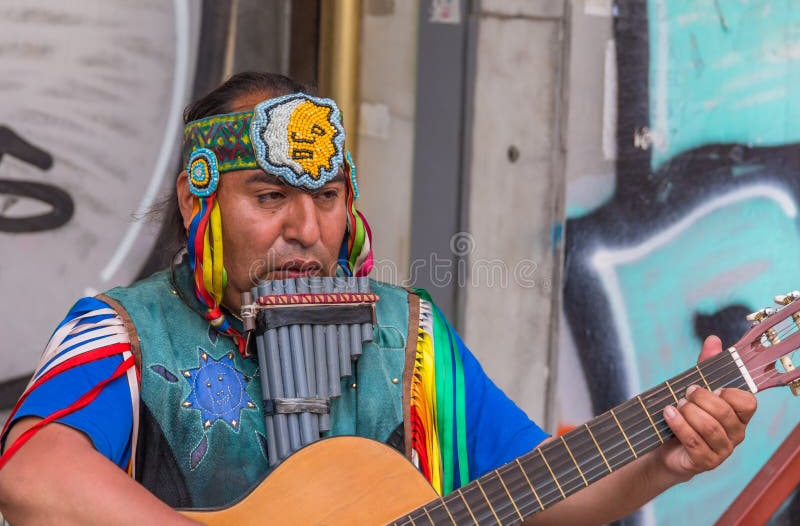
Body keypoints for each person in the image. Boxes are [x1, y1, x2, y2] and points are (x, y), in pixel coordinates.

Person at [0, 72, 756, 525]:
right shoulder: (123, 331)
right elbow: (30, 476)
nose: (306, 228)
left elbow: (541, 492)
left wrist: (668, 461)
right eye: (270, 196)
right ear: (200, 202)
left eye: (327, 197)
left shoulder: (409, 339)